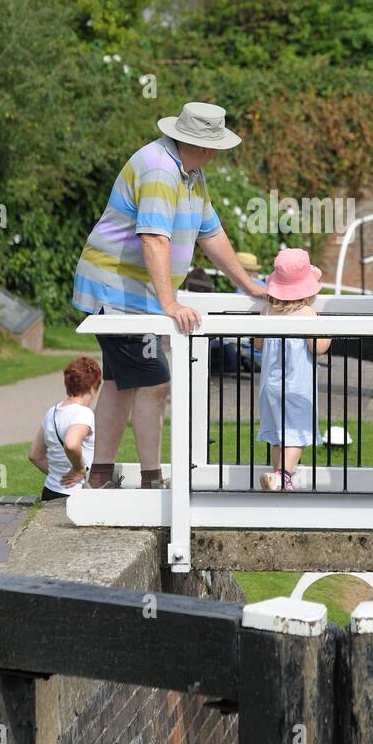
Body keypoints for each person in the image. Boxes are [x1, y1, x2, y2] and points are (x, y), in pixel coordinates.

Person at [72, 102, 267, 490]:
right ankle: (151, 481)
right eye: (214, 145)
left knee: (119, 383)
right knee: (155, 383)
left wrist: (248, 285)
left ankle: (100, 476)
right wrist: (170, 304)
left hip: (128, 293)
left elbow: (211, 234)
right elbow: (154, 238)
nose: (216, 153)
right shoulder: (161, 169)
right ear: (197, 143)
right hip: (120, 294)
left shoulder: (190, 173)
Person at [254, 249, 332, 491]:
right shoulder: (307, 314)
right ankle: (283, 476)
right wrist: (326, 330)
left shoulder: (266, 312)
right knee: (296, 433)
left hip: (270, 386)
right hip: (297, 387)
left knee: (279, 435)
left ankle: (278, 478)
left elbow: (258, 344)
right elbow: (318, 347)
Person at [28, 356, 102, 501]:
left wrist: (59, 477)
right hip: (76, 495)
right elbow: (71, 444)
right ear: (93, 386)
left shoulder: (53, 411)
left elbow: (34, 456)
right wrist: (79, 469)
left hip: (50, 491)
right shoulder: (84, 414)